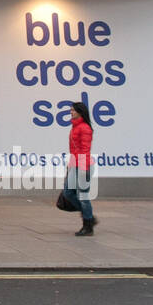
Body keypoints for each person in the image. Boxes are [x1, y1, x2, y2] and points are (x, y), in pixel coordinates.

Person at [60, 101, 97, 235]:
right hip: (75, 164)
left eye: (73, 110)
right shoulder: (75, 127)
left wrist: (82, 169)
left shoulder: (84, 128)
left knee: (83, 196)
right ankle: (89, 216)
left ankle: (88, 226)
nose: (71, 112)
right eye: (71, 110)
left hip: (83, 166)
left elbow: (85, 150)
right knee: (68, 193)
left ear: (80, 112)